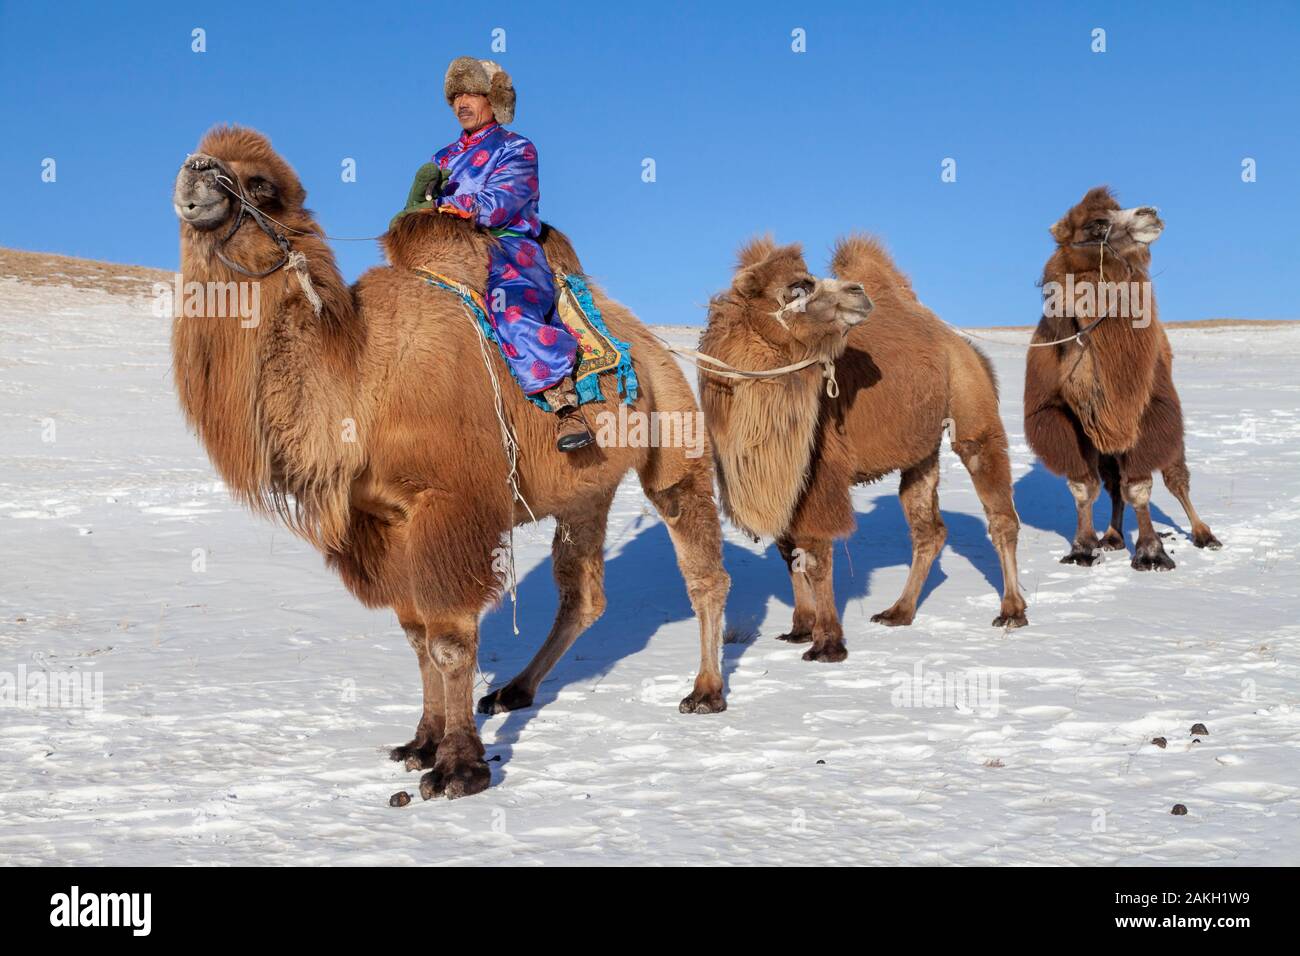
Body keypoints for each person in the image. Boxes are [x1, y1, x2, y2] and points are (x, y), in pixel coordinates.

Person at [426, 56, 594, 452]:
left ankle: (564, 405)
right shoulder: (441, 158)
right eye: (455, 96)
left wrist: (457, 205)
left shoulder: (517, 149)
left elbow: (502, 200)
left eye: (471, 93)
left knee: (511, 313)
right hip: (449, 252)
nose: (461, 103)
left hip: (507, 251)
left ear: (493, 98)